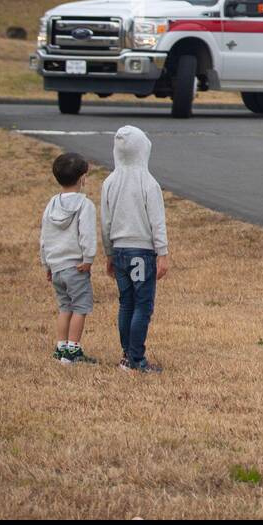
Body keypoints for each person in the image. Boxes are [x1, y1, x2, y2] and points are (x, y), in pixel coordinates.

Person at [102, 126, 169, 374]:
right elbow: (157, 221)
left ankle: (126, 355)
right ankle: (136, 360)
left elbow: (105, 221)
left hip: (119, 250)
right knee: (143, 305)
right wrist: (162, 253)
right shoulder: (149, 183)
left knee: (126, 303)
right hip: (142, 252)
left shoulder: (109, 182)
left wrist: (109, 253)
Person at [39, 152, 98, 365]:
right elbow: (87, 234)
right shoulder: (85, 205)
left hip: (56, 267)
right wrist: (88, 258)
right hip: (76, 266)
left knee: (65, 307)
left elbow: (44, 236)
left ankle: (61, 347)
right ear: (83, 178)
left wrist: (46, 263)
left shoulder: (52, 204)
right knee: (80, 307)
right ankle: (73, 351)